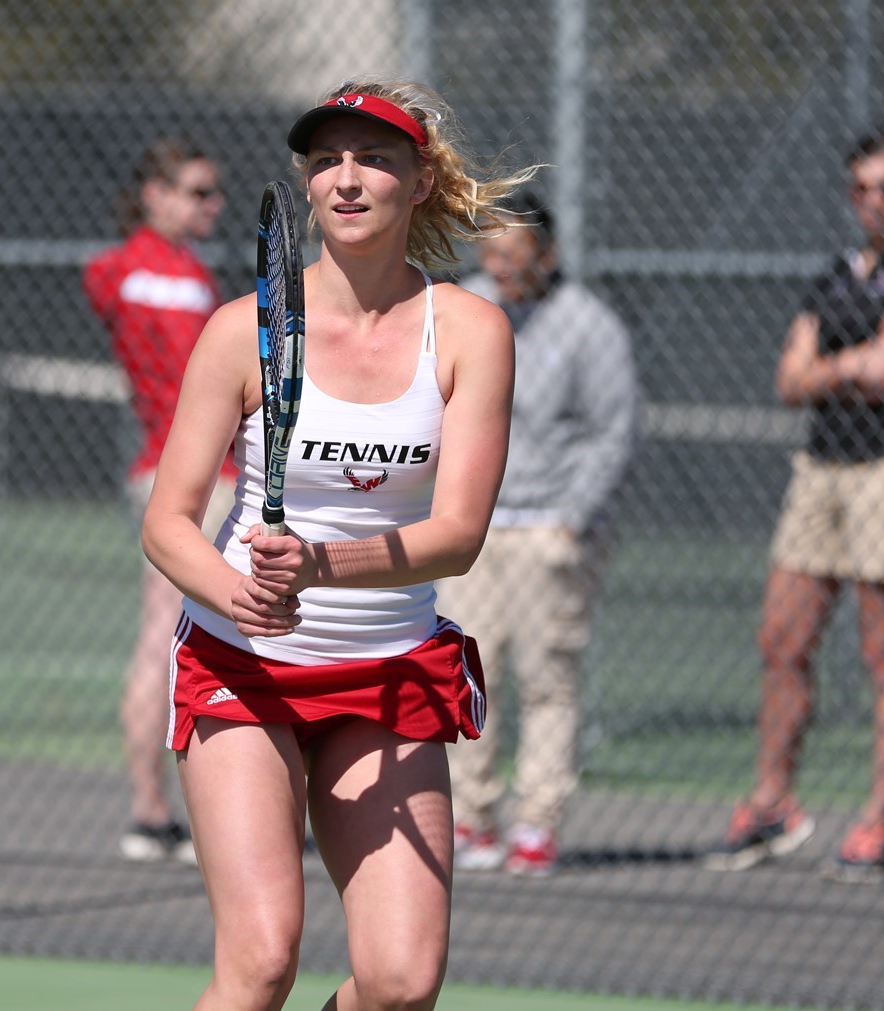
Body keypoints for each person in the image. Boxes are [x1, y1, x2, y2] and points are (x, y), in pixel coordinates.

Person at [141, 77, 534, 1010]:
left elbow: (459, 534)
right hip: (244, 670)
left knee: (400, 984)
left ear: (421, 180)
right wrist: (237, 592)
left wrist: (321, 566)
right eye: (326, 162)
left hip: (388, 670)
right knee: (263, 960)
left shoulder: (471, 332)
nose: (346, 179)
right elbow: (168, 520)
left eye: (374, 159)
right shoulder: (243, 330)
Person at [704, 128, 884, 884]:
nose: (876, 201)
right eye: (863, 188)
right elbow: (788, 379)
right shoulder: (837, 275)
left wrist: (835, 363)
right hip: (821, 468)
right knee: (781, 639)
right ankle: (773, 802)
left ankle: (877, 823)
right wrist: (843, 365)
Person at [440, 192, 639, 877]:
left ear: (547, 257)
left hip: (548, 529)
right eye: (489, 255)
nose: (499, 270)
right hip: (474, 525)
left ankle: (537, 822)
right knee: (468, 672)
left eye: (513, 258)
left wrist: (570, 519)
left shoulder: (589, 326)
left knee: (547, 678)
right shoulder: (464, 307)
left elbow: (613, 432)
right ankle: (473, 817)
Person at [83, 137, 235, 865]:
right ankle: (159, 810)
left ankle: (156, 811)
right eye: (198, 192)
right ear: (156, 195)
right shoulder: (175, 278)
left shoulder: (121, 271)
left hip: (166, 465)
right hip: (202, 474)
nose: (213, 206)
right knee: (174, 641)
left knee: (167, 636)